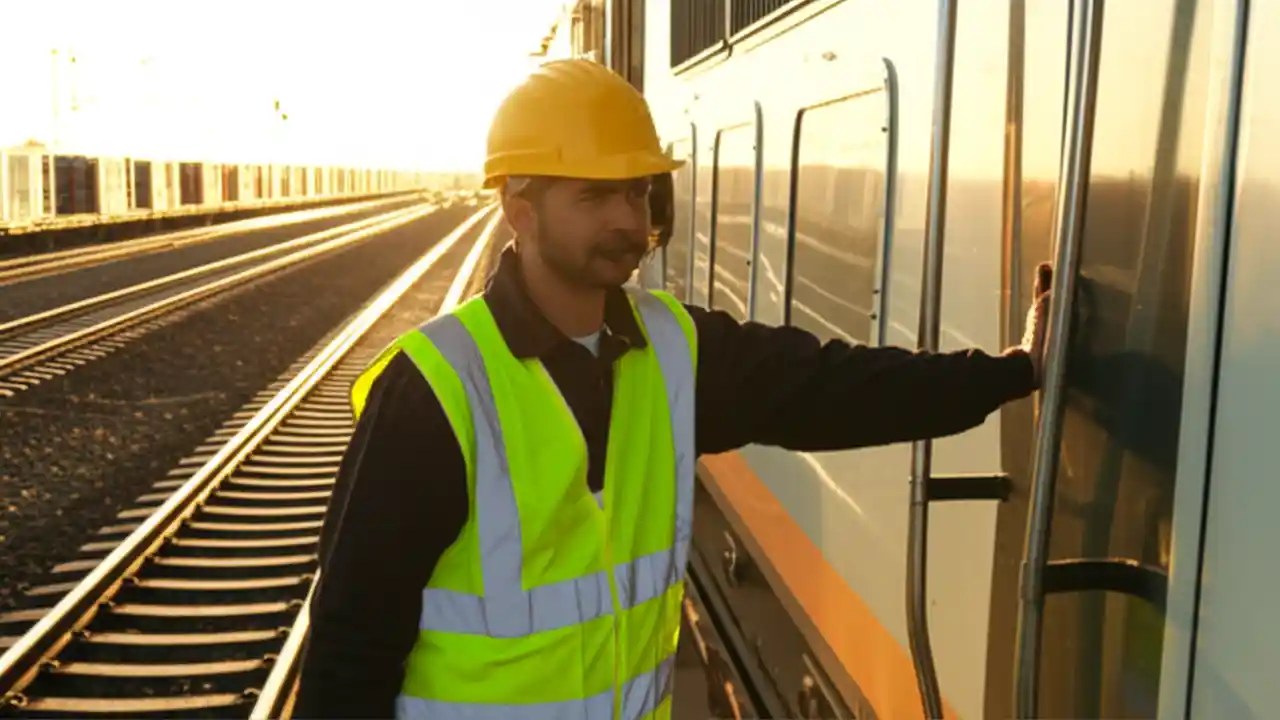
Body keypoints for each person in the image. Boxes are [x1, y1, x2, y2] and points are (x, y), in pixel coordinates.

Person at [293, 59, 1051, 719]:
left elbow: (837, 388)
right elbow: (351, 643)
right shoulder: (434, 388)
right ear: (520, 212)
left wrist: (1011, 371)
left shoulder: (674, 350)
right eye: (595, 197)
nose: (630, 221)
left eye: (638, 194)